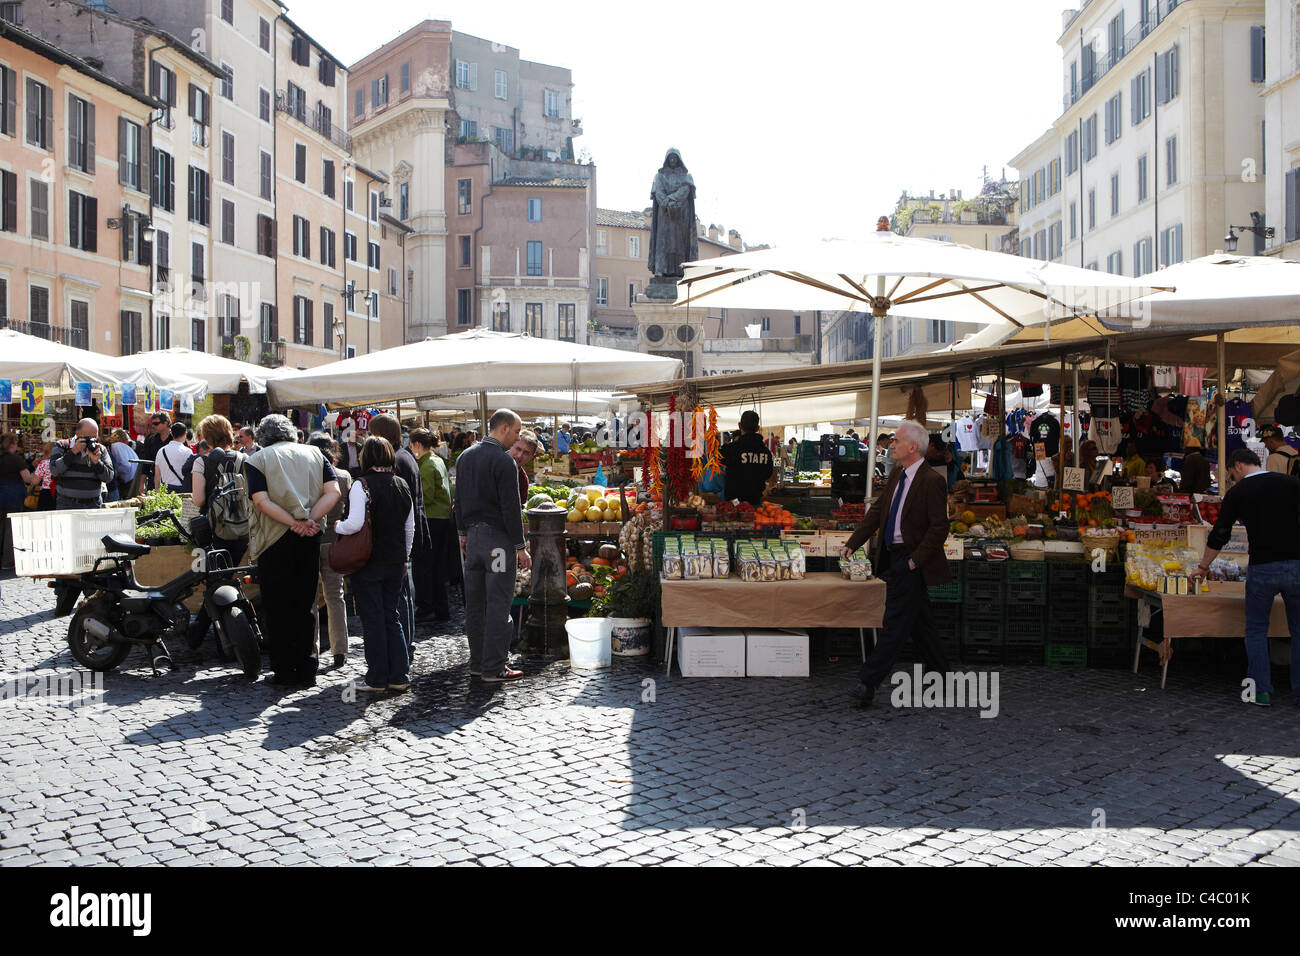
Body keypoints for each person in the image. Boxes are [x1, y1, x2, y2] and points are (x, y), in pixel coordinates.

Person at [840, 421, 952, 708]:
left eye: (897, 441)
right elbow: (877, 513)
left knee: (896, 621)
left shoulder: (931, 480)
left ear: (912, 447)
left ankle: (868, 682)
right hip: (892, 555)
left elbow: (939, 528)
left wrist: (915, 561)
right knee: (919, 621)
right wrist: (854, 542)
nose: (892, 444)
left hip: (911, 559)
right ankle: (942, 673)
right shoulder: (897, 475)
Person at [1190, 448, 1300, 708]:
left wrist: (1204, 566)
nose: (1232, 479)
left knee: (1256, 630)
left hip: (1262, 567)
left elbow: (1220, 533)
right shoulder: (1292, 483)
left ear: (1237, 466)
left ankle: (1260, 690)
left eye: (1230, 473)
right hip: (1297, 566)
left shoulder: (1239, 492)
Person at [245, 414, 341, 688]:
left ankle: (285, 670)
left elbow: (261, 502)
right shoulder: (315, 453)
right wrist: (309, 520)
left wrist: (294, 522)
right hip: (309, 537)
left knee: (278, 606)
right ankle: (308, 667)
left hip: (273, 538)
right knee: (305, 602)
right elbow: (333, 492)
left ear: (262, 437)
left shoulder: (257, 459)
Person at [455, 409, 531, 682]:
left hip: (473, 541)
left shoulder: (465, 457)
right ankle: (494, 667)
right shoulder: (503, 461)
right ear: (504, 429)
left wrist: (463, 533)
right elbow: (510, 509)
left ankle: (478, 663)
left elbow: (459, 501)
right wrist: (520, 546)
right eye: (517, 432)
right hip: (497, 544)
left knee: (475, 605)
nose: (518, 437)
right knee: (499, 603)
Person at [334, 436, 414, 693]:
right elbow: (409, 528)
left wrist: (337, 526)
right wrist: (406, 558)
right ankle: (399, 675)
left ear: (366, 457)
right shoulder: (402, 484)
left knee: (373, 619)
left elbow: (355, 523)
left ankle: (377, 678)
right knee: (392, 616)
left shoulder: (362, 485)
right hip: (394, 561)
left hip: (368, 561)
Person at [187, 415, 250, 648]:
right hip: (242, 528)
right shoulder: (245, 458)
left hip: (215, 530)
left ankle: (199, 633)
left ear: (207, 436)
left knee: (215, 580)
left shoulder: (202, 462)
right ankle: (217, 631)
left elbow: (198, 500)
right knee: (225, 576)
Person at [368, 414, 427, 661]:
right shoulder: (405, 456)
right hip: (406, 536)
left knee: (400, 597)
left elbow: (401, 506)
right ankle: (406, 644)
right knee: (402, 594)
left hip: (399, 539)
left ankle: (405, 646)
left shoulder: (398, 460)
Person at [306, 433, 352, 669]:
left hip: (310, 539)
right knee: (336, 597)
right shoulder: (344, 476)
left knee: (310, 600)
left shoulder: (306, 474)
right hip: (334, 541)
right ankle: (340, 650)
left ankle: (312, 651)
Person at [410, 428, 452, 625]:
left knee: (425, 565)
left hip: (432, 519)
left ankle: (426, 608)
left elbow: (425, 496)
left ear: (417, 444)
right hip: (442, 517)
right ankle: (440, 608)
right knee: (437, 566)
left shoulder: (425, 465)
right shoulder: (438, 460)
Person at [50, 420, 115, 510]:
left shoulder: (100, 449)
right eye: (88, 438)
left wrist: (97, 462)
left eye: (94, 438)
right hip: (67, 504)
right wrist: (73, 452)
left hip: (93, 504)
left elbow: (109, 477)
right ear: (77, 433)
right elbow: (54, 470)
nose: (91, 441)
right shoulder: (62, 446)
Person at [719, 410, 774, 506]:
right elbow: (768, 474)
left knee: (734, 519)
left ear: (739, 425)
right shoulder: (766, 453)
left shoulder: (730, 449)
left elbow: (715, 464)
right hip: (755, 502)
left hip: (734, 503)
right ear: (757, 428)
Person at [0, 433, 33, 570]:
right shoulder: (16, 459)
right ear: (13, 444)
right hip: (13, 496)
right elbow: (27, 479)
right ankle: (7, 561)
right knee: (10, 529)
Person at [154, 422, 193, 492]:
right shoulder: (188, 452)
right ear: (185, 434)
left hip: (165, 490)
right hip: (182, 490)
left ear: (171, 434)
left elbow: (157, 475)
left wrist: (157, 491)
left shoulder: (161, 451)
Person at [104, 429, 138, 503]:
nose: (127, 442)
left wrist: (116, 472)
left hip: (128, 484)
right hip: (133, 482)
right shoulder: (123, 447)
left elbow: (126, 466)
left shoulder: (117, 446)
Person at [139, 412, 171, 490]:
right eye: (152, 424)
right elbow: (146, 462)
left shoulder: (176, 438)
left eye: (156, 423)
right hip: (153, 480)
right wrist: (142, 483)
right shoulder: (151, 440)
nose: (153, 426)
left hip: (173, 481)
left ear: (165, 423)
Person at [509, 429, 539, 507]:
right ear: (510, 445)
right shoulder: (492, 465)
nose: (519, 455)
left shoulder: (523, 480)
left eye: (526, 453)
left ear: (531, 457)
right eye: (518, 449)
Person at [30, 443, 55, 511]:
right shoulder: (61, 463)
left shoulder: (43, 463)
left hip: (46, 492)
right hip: (59, 492)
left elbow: (35, 482)